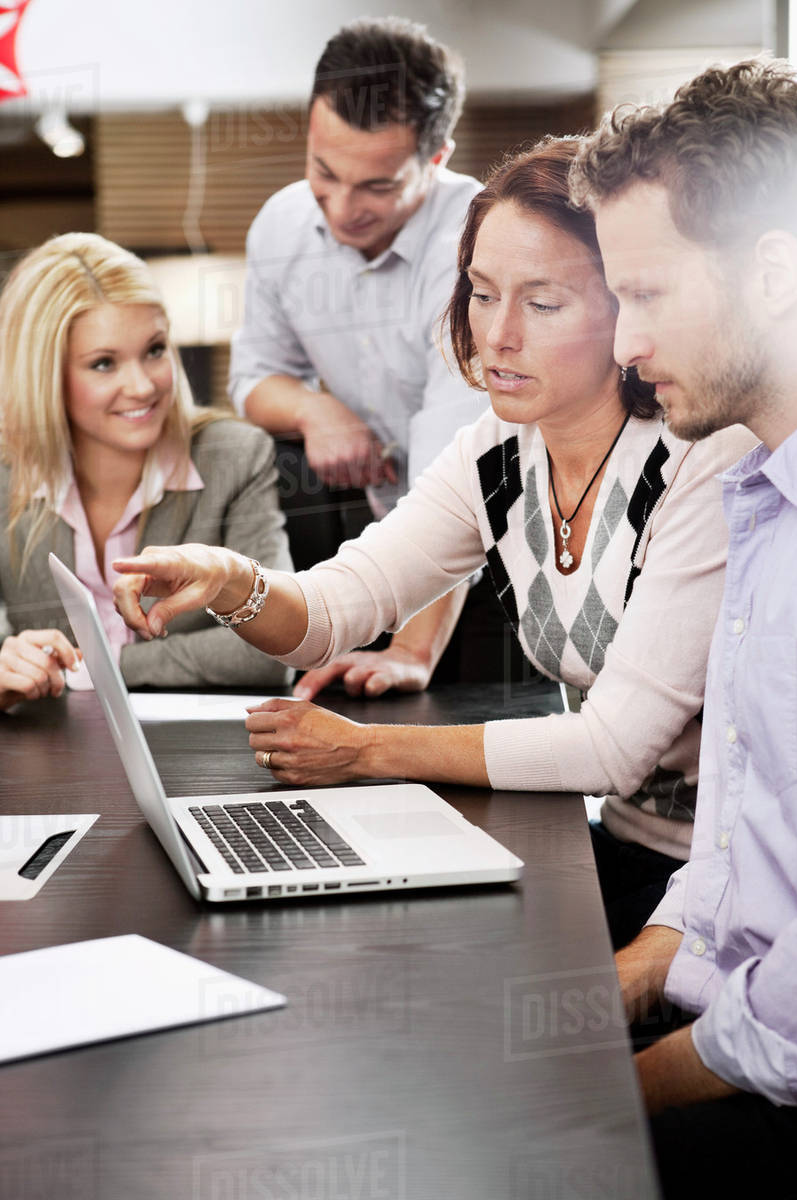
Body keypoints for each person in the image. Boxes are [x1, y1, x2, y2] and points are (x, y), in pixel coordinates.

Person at [113, 137, 752, 943]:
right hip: (620, 854)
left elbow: (612, 749)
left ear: (628, 306)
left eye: (543, 304)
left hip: (725, 886)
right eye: (482, 294)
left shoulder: (702, 456)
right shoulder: (495, 452)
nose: (499, 335)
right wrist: (231, 579)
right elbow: (329, 615)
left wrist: (368, 753)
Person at [569, 57, 797, 1199]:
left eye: (647, 295)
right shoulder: (760, 490)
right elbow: (742, 845)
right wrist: (620, 980)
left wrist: (642, 1078)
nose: (619, 345)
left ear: (772, 270)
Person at [230, 15, 492, 697]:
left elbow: (456, 483)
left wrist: (410, 650)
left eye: (377, 186)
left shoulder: (478, 246)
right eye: (324, 172)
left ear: (436, 159)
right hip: (379, 549)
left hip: (495, 562)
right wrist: (316, 409)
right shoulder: (282, 226)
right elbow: (254, 380)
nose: (343, 208)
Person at [0, 232, 293, 710]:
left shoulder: (235, 456)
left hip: (195, 756)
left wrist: (99, 666)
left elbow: (271, 648)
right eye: (103, 364)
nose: (141, 385)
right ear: (45, 375)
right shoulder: (5, 473)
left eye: (154, 350)